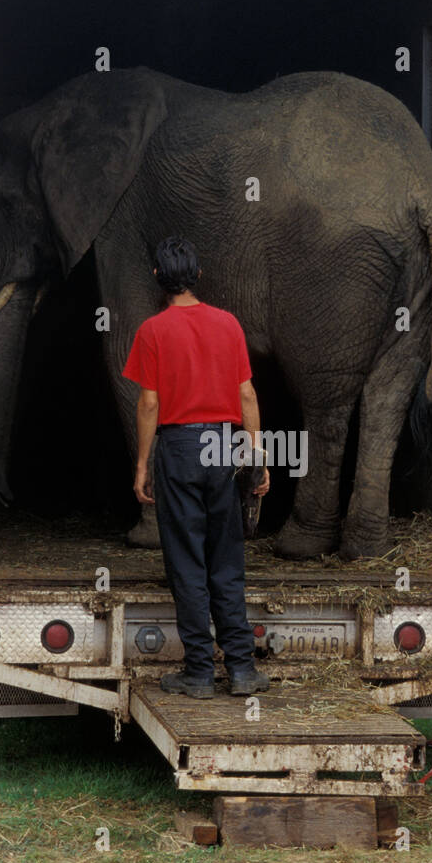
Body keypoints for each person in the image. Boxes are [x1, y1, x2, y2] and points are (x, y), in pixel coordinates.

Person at [122, 237, 271, 699]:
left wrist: (143, 463)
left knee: (187, 563)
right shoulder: (228, 324)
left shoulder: (152, 331)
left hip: (181, 447)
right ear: (199, 276)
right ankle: (243, 671)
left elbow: (150, 402)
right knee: (226, 562)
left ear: (157, 280)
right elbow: (246, 395)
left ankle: (200, 673)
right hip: (224, 447)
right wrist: (255, 456)